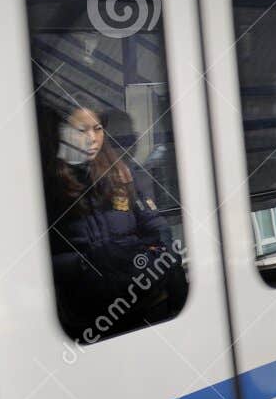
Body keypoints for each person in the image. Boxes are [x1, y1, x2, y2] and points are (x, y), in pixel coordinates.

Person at [46, 103, 183, 341]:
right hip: (91, 315)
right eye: (81, 130)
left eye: (97, 129)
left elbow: (156, 226)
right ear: (63, 134)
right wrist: (84, 265)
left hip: (145, 301)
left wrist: (154, 262)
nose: (92, 138)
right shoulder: (52, 187)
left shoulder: (121, 174)